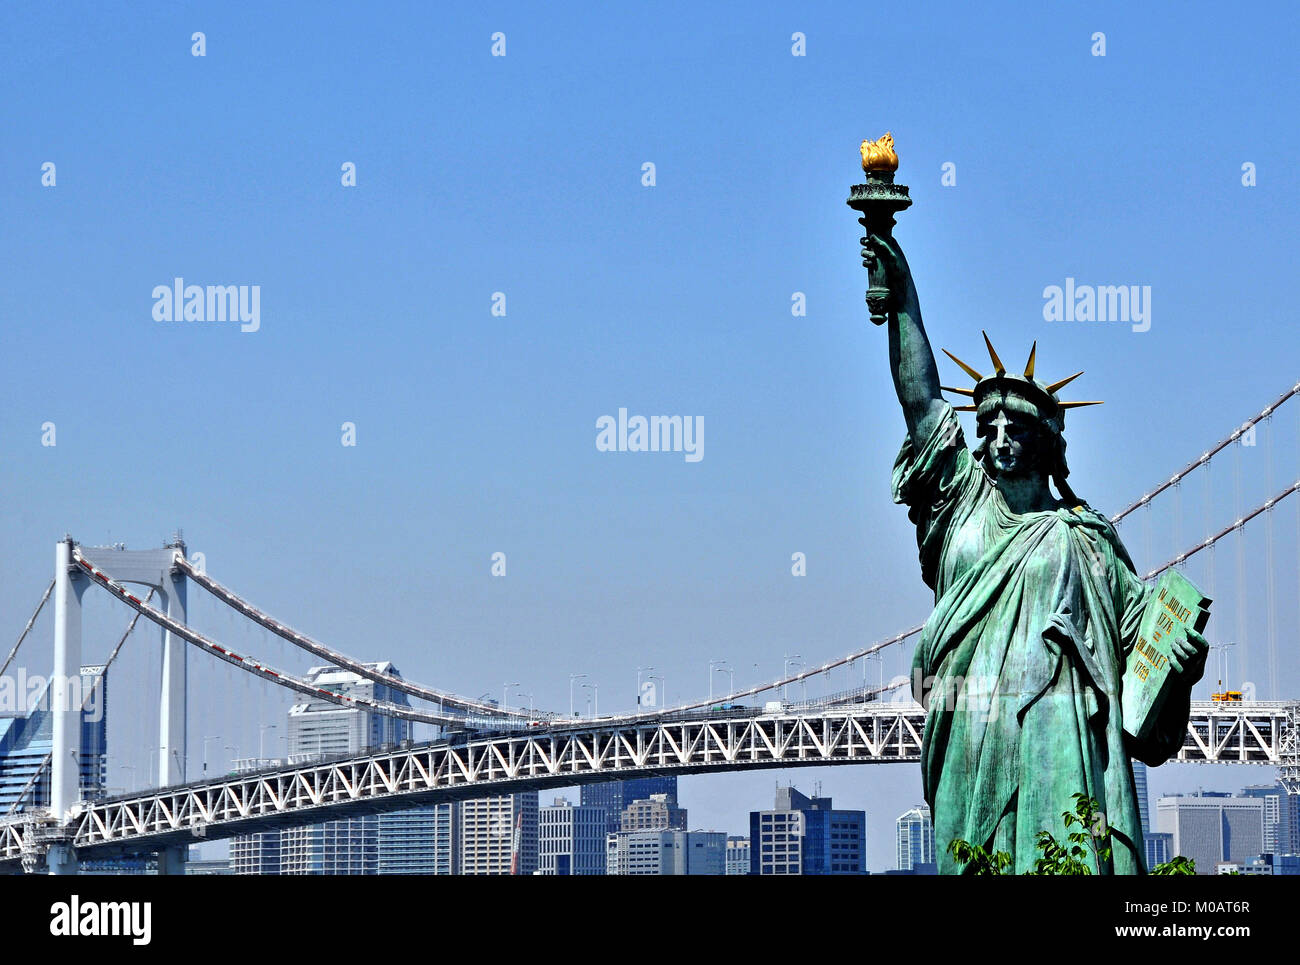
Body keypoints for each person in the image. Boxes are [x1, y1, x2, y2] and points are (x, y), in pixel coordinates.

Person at [864, 231, 1209, 874]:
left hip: (1062, 740)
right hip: (966, 729)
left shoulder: (1087, 540)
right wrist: (903, 288)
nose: (996, 437)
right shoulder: (960, 500)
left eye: (1015, 426)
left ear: (1049, 443)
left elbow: (1141, 662)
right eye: (986, 425)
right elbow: (920, 400)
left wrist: (1182, 668)